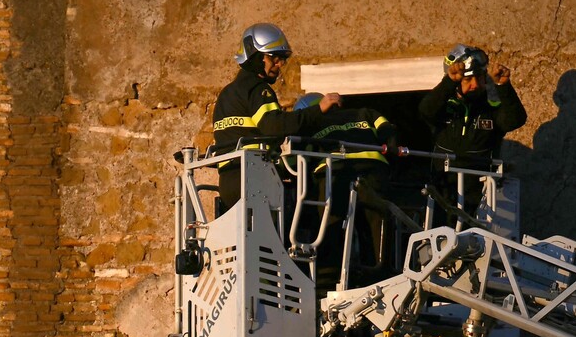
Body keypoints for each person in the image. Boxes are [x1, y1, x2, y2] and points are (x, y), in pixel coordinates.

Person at [212, 23, 341, 211]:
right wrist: (318, 109)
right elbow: (274, 126)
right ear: (256, 56)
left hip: (229, 182)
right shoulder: (258, 89)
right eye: (273, 58)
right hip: (254, 178)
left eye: (281, 59)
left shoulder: (226, 94)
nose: (279, 64)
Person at [294, 93, 400, 282]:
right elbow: (387, 131)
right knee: (376, 227)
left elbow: (299, 159)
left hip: (333, 174)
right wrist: (390, 147)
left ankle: (327, 279)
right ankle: (381, 277)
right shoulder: (365, 113)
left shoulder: (310, 123)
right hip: (373, 171)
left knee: (329, 226)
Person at [418, 44, 527, 221]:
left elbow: (515, 120)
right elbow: (426, 110)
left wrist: (503, 86)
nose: (475, 84)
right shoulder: (444, 107)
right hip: (444, 193)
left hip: (483, 201)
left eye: (479, 78)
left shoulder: (492, 110)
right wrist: (448, 82)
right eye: (468, 80)